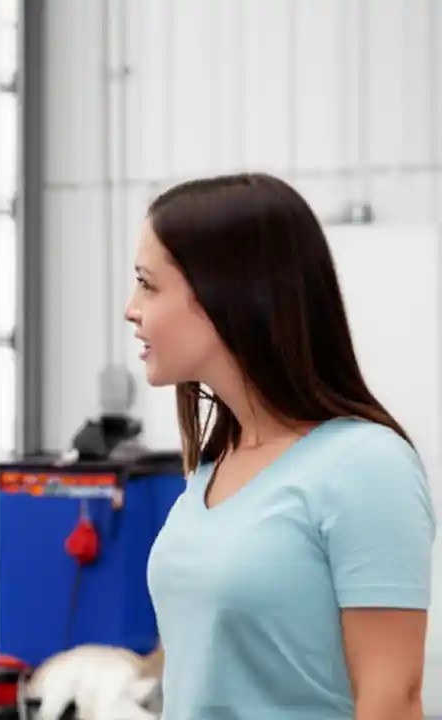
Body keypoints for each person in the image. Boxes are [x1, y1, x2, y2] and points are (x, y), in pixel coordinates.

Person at [124, 172, 435, 719]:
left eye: (148, 284)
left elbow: (393, 700)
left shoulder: (365, 465)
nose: (132, 307)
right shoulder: (215, 464)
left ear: (226, 290)